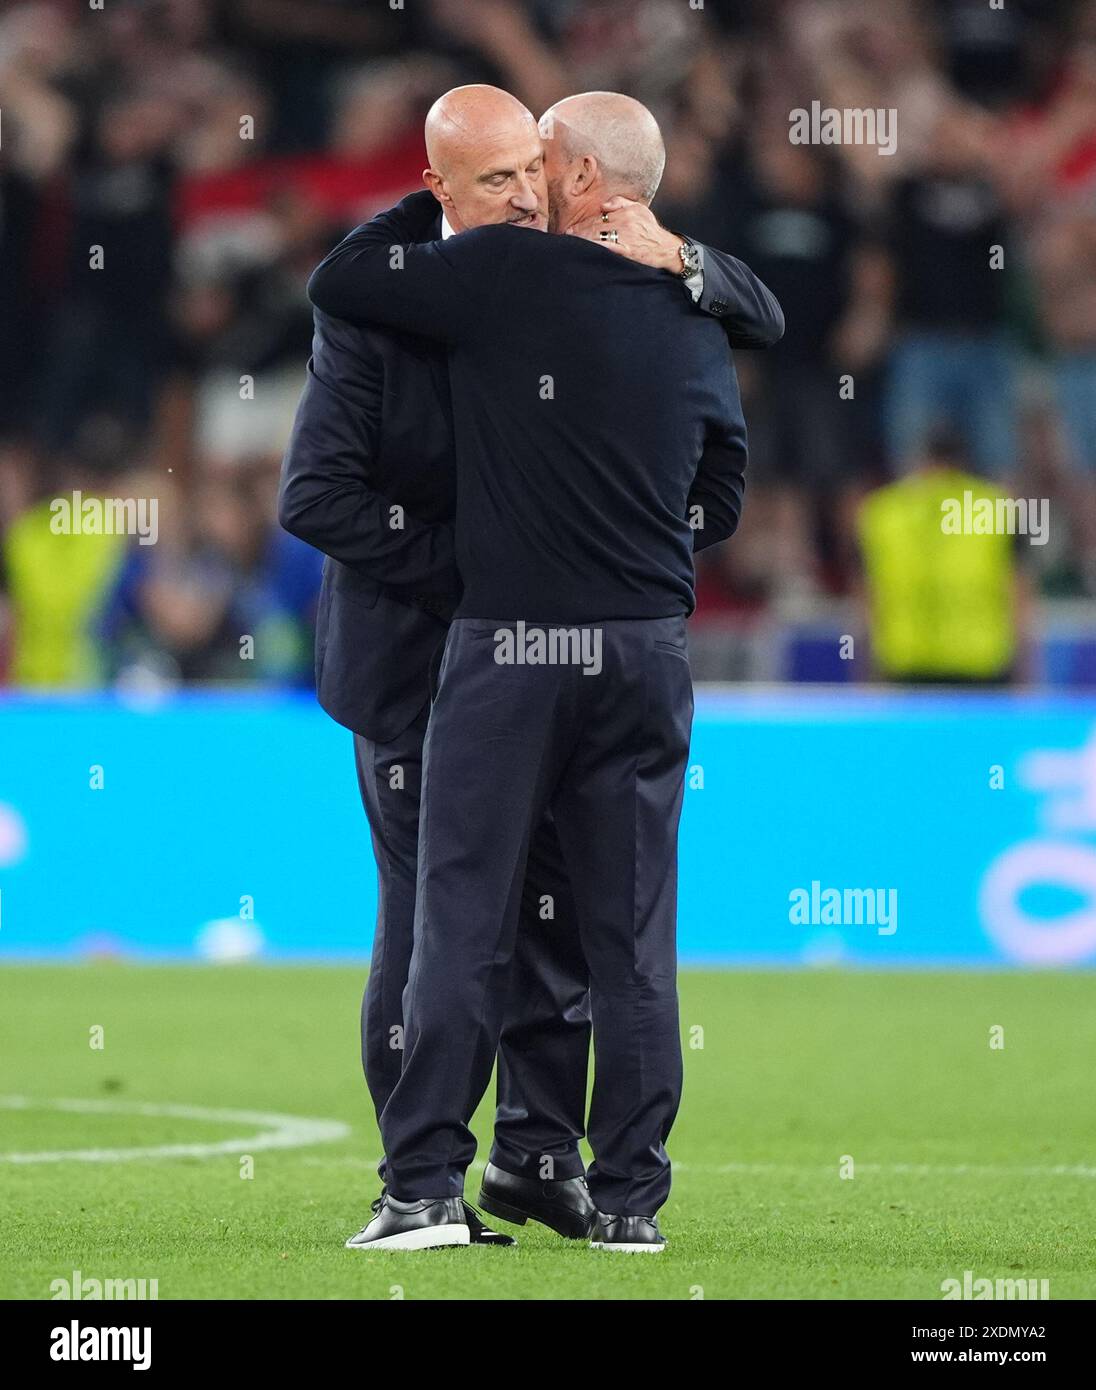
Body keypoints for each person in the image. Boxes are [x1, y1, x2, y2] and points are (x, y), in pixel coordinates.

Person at [306, 90, 780, 1252]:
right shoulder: (671, 316)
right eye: (499, 175)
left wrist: (515, 567)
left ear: (575, 178)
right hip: (560, 649)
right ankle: (618, 1201)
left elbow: (337, 277)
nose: (522, 192)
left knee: (490, 926)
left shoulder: (524, 280)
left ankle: (465, 1174)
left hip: (510, 649)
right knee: (545, 932)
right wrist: (607, 560)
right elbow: (719, 491)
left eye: (536, 169)